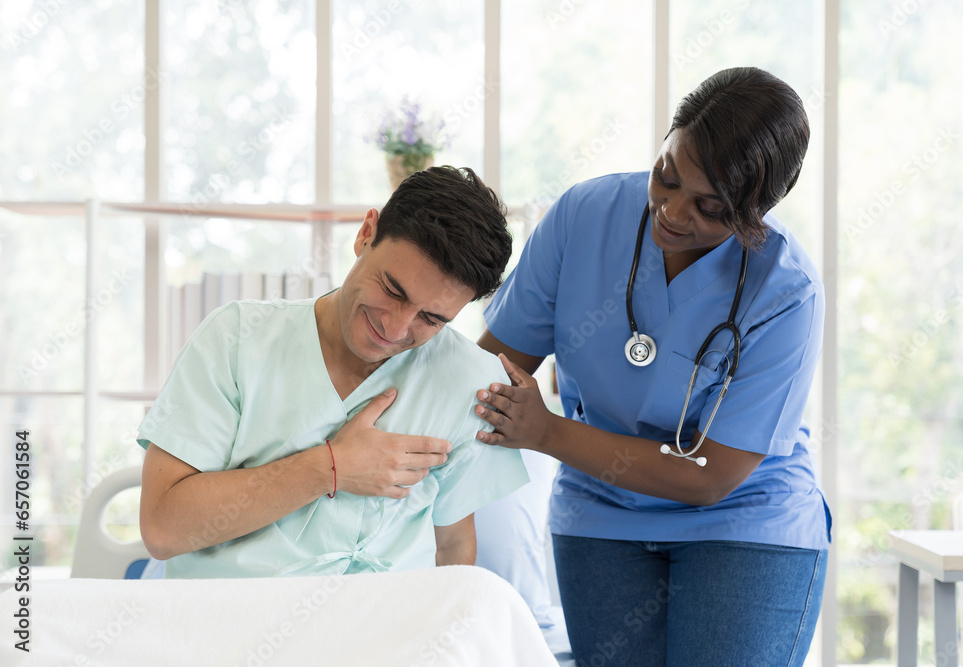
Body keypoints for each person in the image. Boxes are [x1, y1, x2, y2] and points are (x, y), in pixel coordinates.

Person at [473, 67, 830, 667]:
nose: (672, 210)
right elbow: (494, 368)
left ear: (756, 210)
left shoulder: (787, 292)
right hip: (601, 510)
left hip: (741, 519)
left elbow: (710, 475)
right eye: (666, 176)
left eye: (709, 207)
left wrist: (546, 432)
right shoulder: (583, 217)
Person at [137, 165, 528, 579]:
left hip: (385, 635)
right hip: (232, 629)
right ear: (366, 234)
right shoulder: (236, 340)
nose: (395, 330)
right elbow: (163, 528)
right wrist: (330, 467)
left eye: (431, 319)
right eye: (393, 291)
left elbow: (453, 547)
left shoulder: (469, 383)